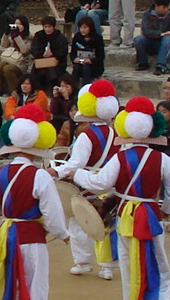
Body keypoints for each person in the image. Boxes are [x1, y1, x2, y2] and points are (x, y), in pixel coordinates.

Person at [73, 96, 170, 300]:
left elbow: (100, 183)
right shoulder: (163, 159)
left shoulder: (120, 158)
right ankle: (158, 298)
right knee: (157, 254)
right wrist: (168, 210)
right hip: (151, 212)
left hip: (126, 212)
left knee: (128, 257)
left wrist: (77, 173)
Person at [0, 104, 68, 300]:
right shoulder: (40, 176)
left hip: (7, 235)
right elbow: (52, 212)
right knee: (35, 284)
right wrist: (62, 233)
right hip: (30, 236)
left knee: (15, 280)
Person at [52, 80, 121, 279]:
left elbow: (76, 164)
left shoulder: (86, 135)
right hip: (110, 181)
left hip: (87, 182)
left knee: (78, 222)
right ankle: (107, 266)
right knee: (106, 222)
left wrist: (56, 171)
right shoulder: (116, 133)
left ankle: (82, 262)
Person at [133, 0, 170, 72]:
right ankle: (142, 62)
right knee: (138, 39)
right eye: (163, 7)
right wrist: (160, 34)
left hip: (164, 43)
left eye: (167, 7)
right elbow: (145, 30)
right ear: (157, 6)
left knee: (167, 39)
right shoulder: (147, 15)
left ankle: (161, 65)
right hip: (150, 41)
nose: (166, 9)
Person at [28, 13, 68, 92]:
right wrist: (42, 54)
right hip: (41, 61)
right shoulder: (38, 36)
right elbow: (34, 50)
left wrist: (53, 53)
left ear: (53, 27)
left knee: (51, 71)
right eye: (45, 27)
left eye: (49, 27)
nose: (47, 29)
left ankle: (52, 91)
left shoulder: (60, 37)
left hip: (57, 62)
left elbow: (63, 51)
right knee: (39, 72)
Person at [69, 16, 104, 85]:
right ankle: (74, 87)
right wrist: (75, 59)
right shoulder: (77, 37)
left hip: (94, 67)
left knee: (86, 67)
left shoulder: (97, 38)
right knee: (76, 67)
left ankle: (85, 87)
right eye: (81, 28)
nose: (82, 30)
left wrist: (91, 61)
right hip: (80, 64)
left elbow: (101, 56)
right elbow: (73, 53)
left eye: (85, 28)